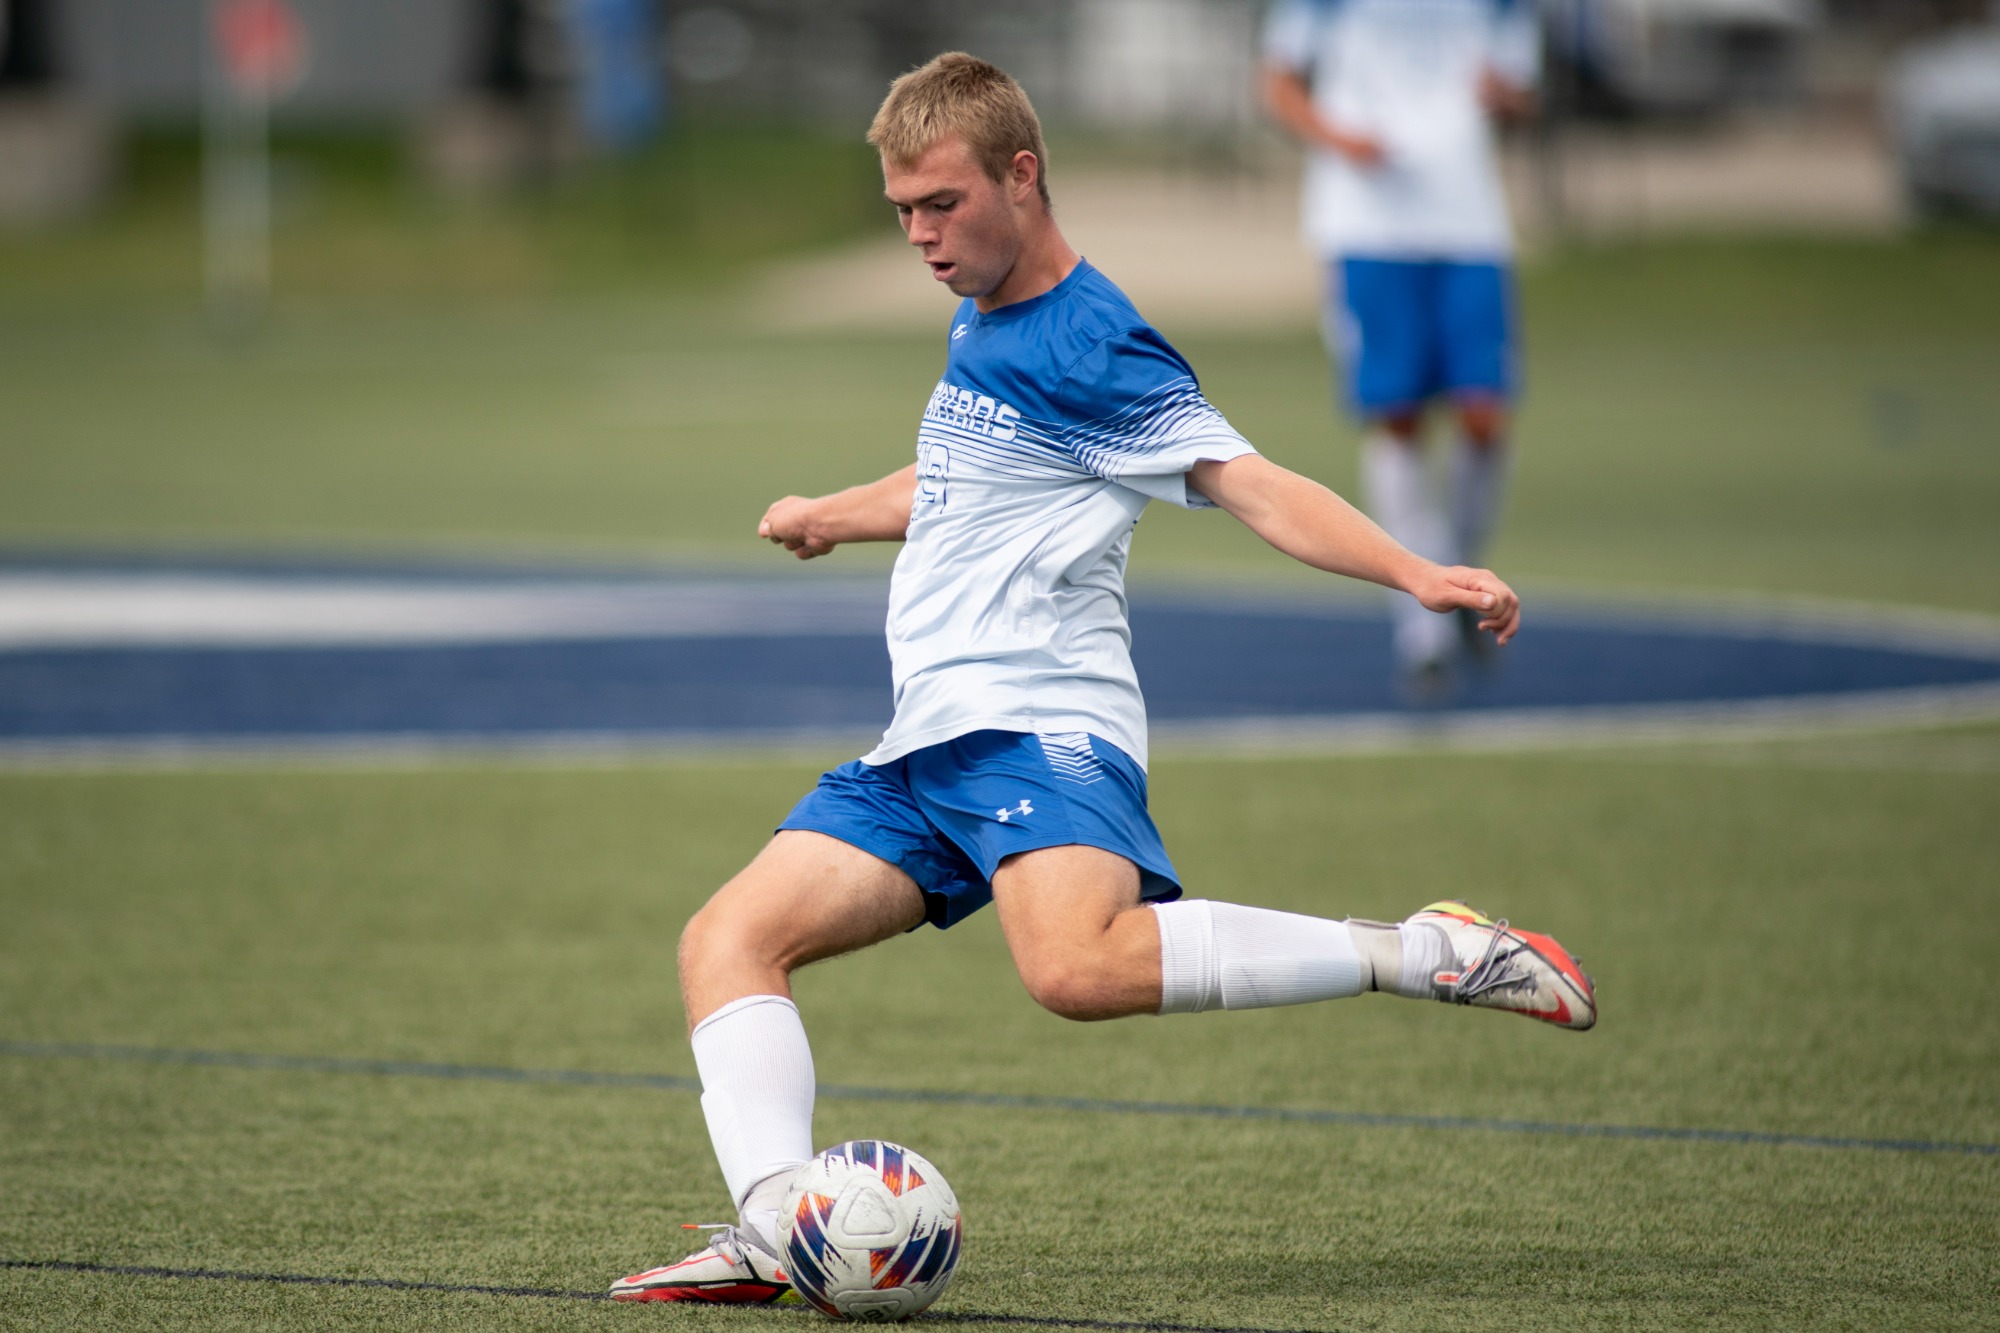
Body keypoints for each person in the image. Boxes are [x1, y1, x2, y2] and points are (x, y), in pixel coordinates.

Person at [610, 52, 1593, 1305]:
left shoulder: (1092, 340)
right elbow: (966, 483)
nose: (920, 236)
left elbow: (1251, 482)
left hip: (1037, 728)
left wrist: (1417, 573)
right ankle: (776, 1229)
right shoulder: (982, 308)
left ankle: (1418, 947)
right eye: (901, 211)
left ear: (1021, 175)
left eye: (941, 205)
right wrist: (830, 513)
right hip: (932, 739)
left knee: (1074, 970)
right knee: (727, 939)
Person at [1260, 0, 1540, 694]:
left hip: (1468, 223)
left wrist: (1505, 97)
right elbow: (1279, 83)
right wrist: (1339, 137)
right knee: (1399, 415)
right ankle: (1422, 629)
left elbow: (1522, 89)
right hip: (1368, 225)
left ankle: (1459, 571)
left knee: (1484, 416)